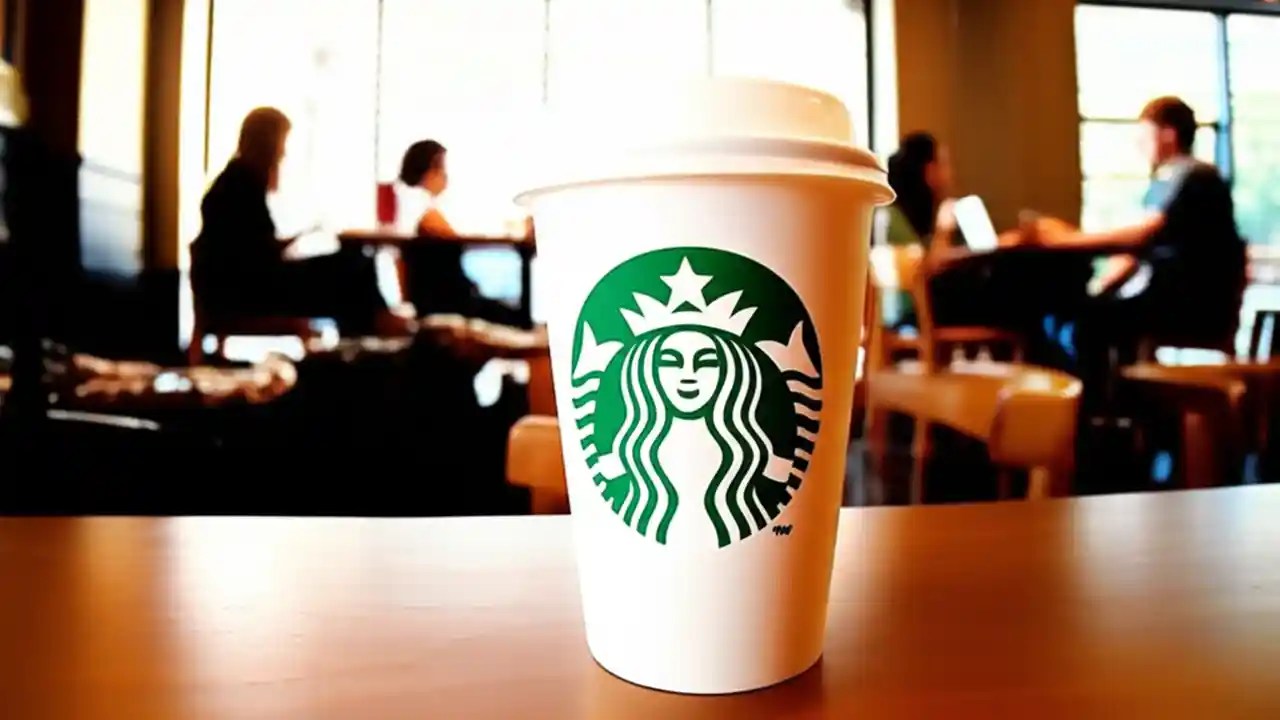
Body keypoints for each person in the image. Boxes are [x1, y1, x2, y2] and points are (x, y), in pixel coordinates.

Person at [1028, 97, 1246, 406]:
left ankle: (1092, 411)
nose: (1139, 145)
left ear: (1168, 134)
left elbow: (1143, 237)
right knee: (1086, 313)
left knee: (1081, 322)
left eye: (1144, 136)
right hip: (1180, 298)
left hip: (1188, 303)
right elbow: (1136, 254)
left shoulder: (1186, 174)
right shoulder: (1178, 178)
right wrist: (1100, 287)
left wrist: (1062, 240)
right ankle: (1111, 409)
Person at [191, 108, 411, 337]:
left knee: (351, 267)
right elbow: (256, 255)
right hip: (252, 291)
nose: (283, 153)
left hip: (245, 286)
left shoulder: (234, 181)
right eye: (281, 143)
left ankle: (373, 325)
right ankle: (377, 325)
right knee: (353, 266)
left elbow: (250, 246)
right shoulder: (241, 185)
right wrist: (297, 239)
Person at [393, 139, 454, 236]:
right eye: (442, 168)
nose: (445, 177)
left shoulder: (409, 199)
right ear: (429, 172)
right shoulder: (424, 210)